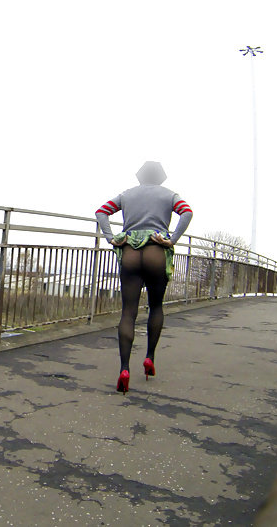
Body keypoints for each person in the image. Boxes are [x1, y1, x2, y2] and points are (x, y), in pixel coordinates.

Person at [95, 161, 193, 393]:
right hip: (156, 251)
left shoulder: (126, 195)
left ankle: (124, 369)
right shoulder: (170, 195)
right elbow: (187, 212)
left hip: (129, 250)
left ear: (140, 177)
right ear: (161, 178)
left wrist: (111, 237)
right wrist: (173, 239)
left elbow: (101, 211)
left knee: (128, 312)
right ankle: (149, 358)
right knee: (155, 307)